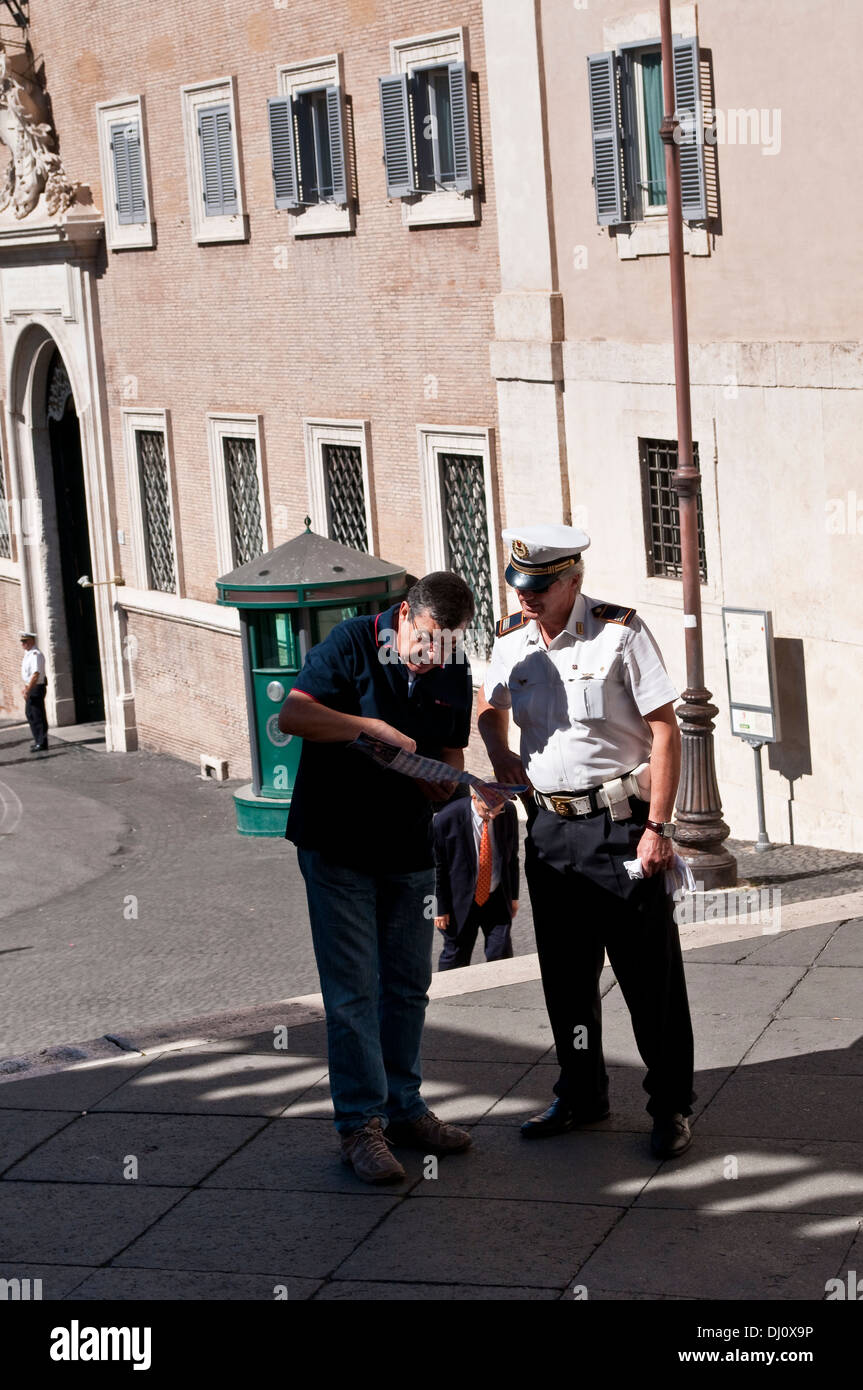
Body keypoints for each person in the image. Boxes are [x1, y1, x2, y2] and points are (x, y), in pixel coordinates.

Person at [477, 524, 696, 1160]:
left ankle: (671, 1105)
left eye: (541, 588)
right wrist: (497, 751)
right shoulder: (511, 642)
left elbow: (665, 730)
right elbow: (489, 709)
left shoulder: (620, 632)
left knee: (647, 976)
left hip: (620, 826)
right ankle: (581, 1092)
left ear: (574, 581)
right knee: (566, 978)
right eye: (522, 587)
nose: (528, 599)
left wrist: (659, 827)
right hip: (547, 829)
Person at [280, 573, 477, 1183]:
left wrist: (448, 784)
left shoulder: (452, 664)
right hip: (337, 845)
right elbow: (292, 716)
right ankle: (359, 1126)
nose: (430, 655)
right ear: (403, 615)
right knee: (352, 994)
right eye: (423, 641)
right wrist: (368, 729)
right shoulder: (349, 643)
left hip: (408, 848)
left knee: (409, 986)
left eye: (444, 644)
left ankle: (405, 1107)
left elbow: (449, 756)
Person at [433, 787, 519, 970]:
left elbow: (513, 857)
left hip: (496, 896)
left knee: (501, 953)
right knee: (455, 955)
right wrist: (438, 909)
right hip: (460, 901)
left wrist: (514, 897)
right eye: (487, 811)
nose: (493, 816)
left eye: (498, 809)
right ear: (475, 798)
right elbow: (437, 868)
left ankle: (502, 995)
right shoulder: (446, 819)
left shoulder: (508, 812)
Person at [20, 630, 48, 752]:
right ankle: (38, 740)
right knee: (30, 714)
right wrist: (26, 688)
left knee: (37, 715)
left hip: (36, 688)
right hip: (31, 687)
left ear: (31, 640)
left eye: (25, 641)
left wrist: (28, 690)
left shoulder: (36, 655)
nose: (22, 644)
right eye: (22, 642)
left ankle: (41, 743)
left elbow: (35, 675)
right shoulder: (29, 654)